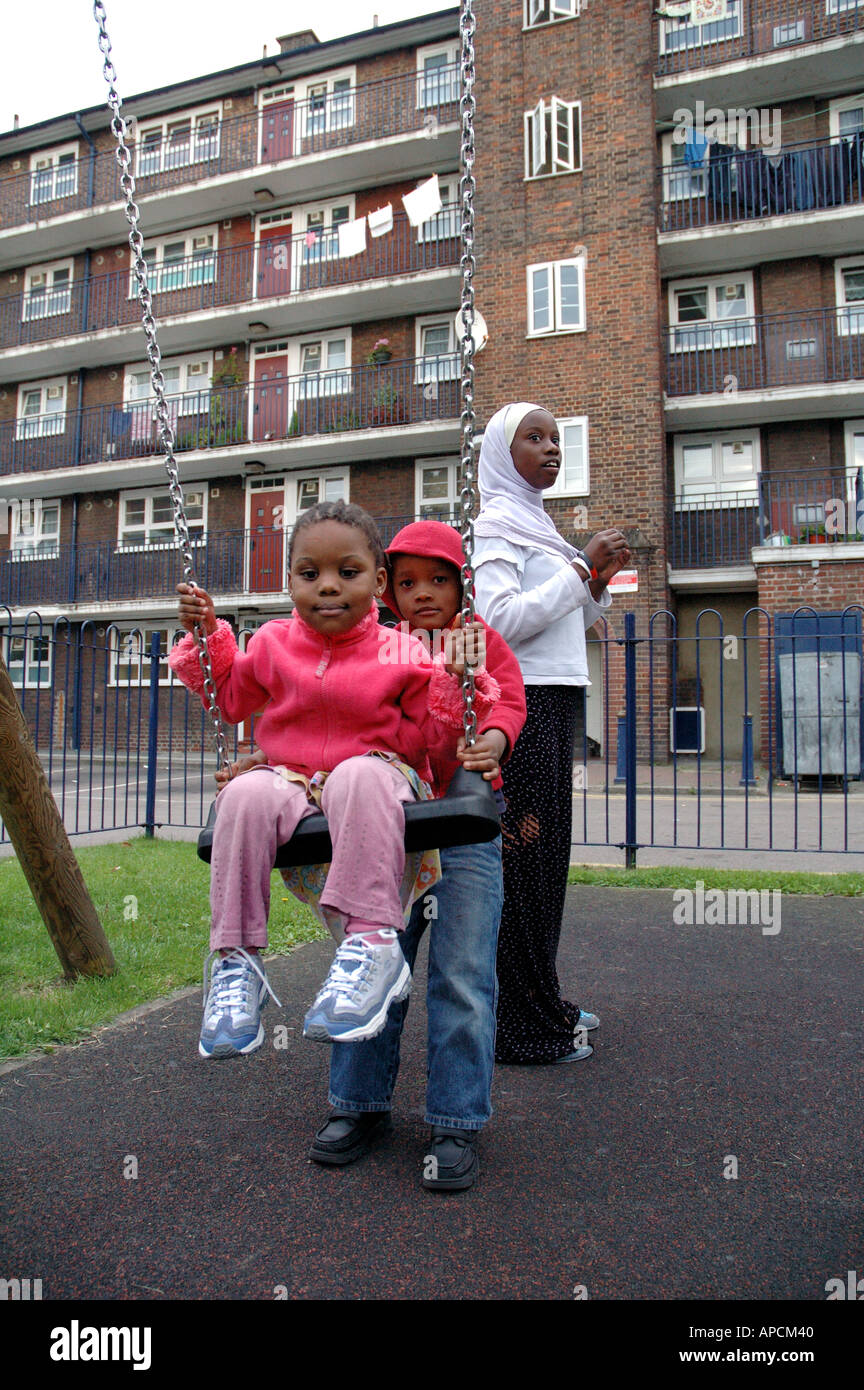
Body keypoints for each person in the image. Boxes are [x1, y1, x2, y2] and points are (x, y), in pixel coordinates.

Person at [168, 500, 498, 1060]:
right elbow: (230, 701)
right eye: (309, 573)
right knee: (243, 793)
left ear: (377, 580)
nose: (327, 586)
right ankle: (236, 960)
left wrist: (457, 681)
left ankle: (371, 940)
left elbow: (433, 737)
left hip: (379, 777)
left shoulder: (403, 649)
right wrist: (208, 638)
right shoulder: (273, 643)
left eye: (348, 573)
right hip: (291, 782)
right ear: (290, 578)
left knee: (356, 777)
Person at [309, 520, 526, 1190]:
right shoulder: (378, 648)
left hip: (463, 830)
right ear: (386, 589)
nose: (423, 593)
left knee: (461, 975)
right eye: (407, 583)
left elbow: (511, 699)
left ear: (462, 584)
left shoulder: (479, 639)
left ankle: (456, 1119)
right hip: (393, 833)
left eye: (438, 580)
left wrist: (493, 737)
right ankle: (359, 1105)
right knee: (375, 964)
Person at [472, 404, 631, 1065]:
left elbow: (575, 614)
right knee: (527, 865)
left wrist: (595, 576)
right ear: (501, 453)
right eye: (533, 438)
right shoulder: (495, 527)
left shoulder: (539, 527)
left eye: (557, 439)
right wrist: (577, 570)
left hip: (557, 699)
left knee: (547, 866)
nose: (550, 448)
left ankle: (543, 998)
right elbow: (497, 621)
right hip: (523, 706)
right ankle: (523, 1029)